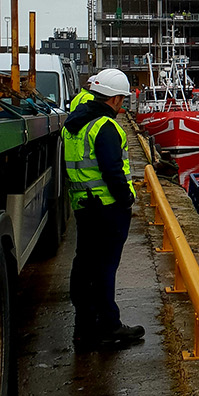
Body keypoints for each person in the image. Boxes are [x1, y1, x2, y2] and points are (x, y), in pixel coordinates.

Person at [62, 68, 145, 349]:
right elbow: (113, 170)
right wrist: (126, 200)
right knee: (105, 269)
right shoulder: (105, 126)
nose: (122, 104)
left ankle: (83, 328)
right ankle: (109, 327)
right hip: (107, 208)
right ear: (114, 100)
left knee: (84, 266)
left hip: (83, 205)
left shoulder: (73, 124)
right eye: (121, 99)